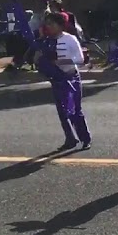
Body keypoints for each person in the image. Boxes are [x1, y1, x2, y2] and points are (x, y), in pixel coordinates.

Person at [38, 12, 92, 150]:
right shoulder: (47, 41)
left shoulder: (70, 39)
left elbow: (80, 60)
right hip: (56, 80)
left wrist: (60, 61)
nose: (49, 27)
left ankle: (85, 138)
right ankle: (70, 138)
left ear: (60, 25)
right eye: (47, 24)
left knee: (75, 110)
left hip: (71, 78)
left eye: (52, 24)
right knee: (62, 111)